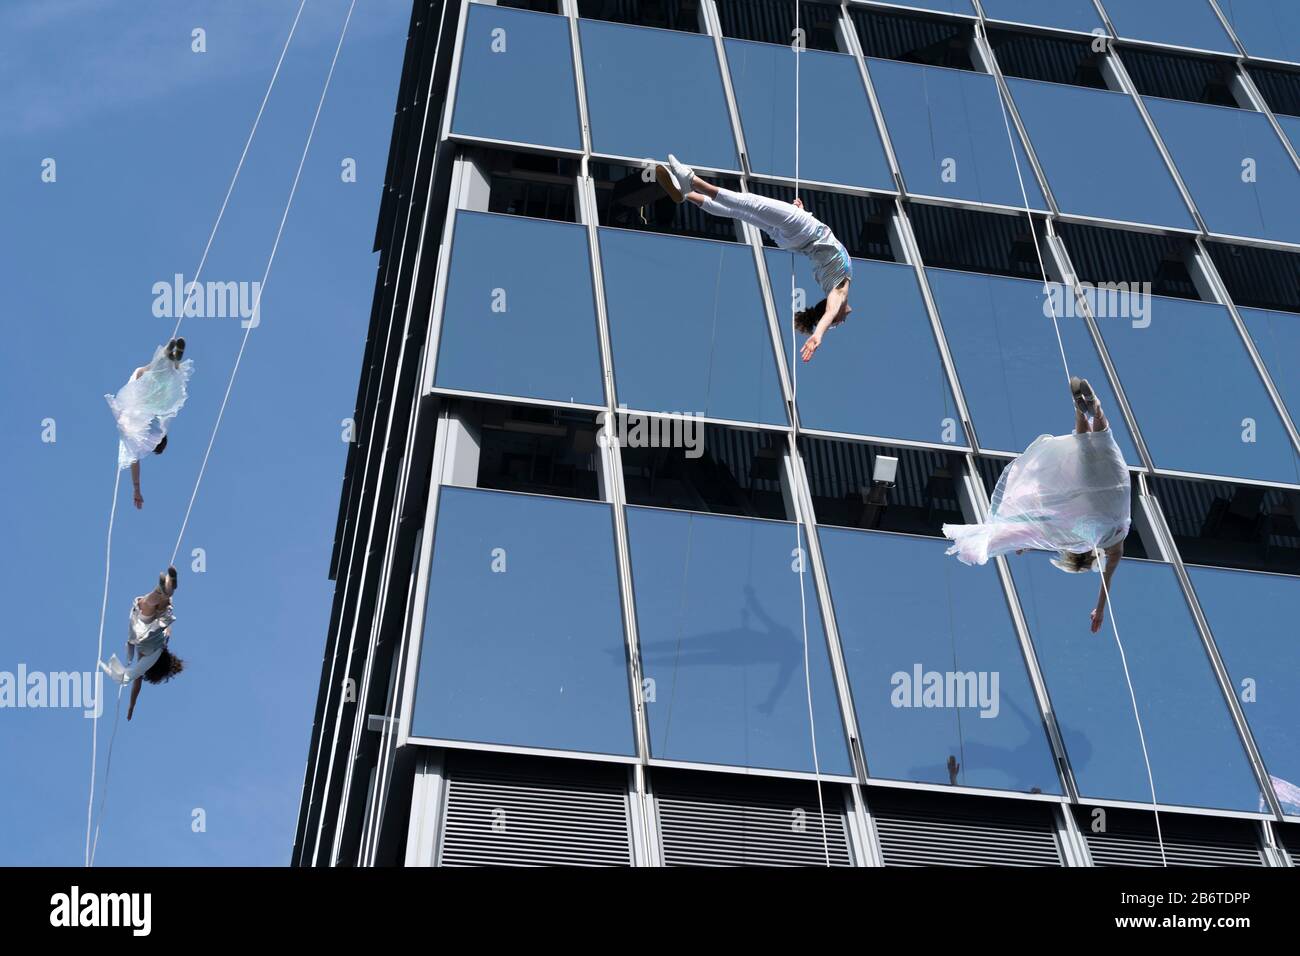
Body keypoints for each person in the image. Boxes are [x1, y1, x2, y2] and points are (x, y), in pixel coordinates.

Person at [942, 378, 1129, 633]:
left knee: (1100, 444)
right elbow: (1041, 527)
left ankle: (1092, 407)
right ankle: (1083, 408)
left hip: (1115, 493)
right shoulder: (1078, 539)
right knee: (1085, 448)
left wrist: (1101, 608)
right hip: (1098, 497)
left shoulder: (1109, 543)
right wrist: (1099, 609)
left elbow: (1105, 574)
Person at [655, 155, 852, 362]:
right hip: (794, 240)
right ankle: (687, 195)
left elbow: (830, 311)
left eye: (841, 321)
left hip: (805, 231)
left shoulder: (838, 291)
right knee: (741, 212)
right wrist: (801, 212)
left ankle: (691, 180)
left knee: (749, 203)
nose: (846, 317)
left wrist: (817, 335)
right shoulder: (838, 282)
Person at [105, 338, 191, 509]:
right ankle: (170, 360)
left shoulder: (146, 428)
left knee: (154, 376)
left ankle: (170, 359)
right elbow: (134, 463)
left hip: (143, 398)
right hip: (137, 400)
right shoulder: (135, 437)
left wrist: (137, 489)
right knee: (153, 378)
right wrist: (136, 489)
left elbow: (135, 461)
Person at [100, 566, 185, 720]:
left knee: (157, 604)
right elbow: (136, 686)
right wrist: (131, 706)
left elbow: (169, 629)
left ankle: (165, 589)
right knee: (145, 605)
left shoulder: (163, 645)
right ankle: (163, 589)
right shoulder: (143, 660)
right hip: (144, 630)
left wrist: (168, 614)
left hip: (158, 626)